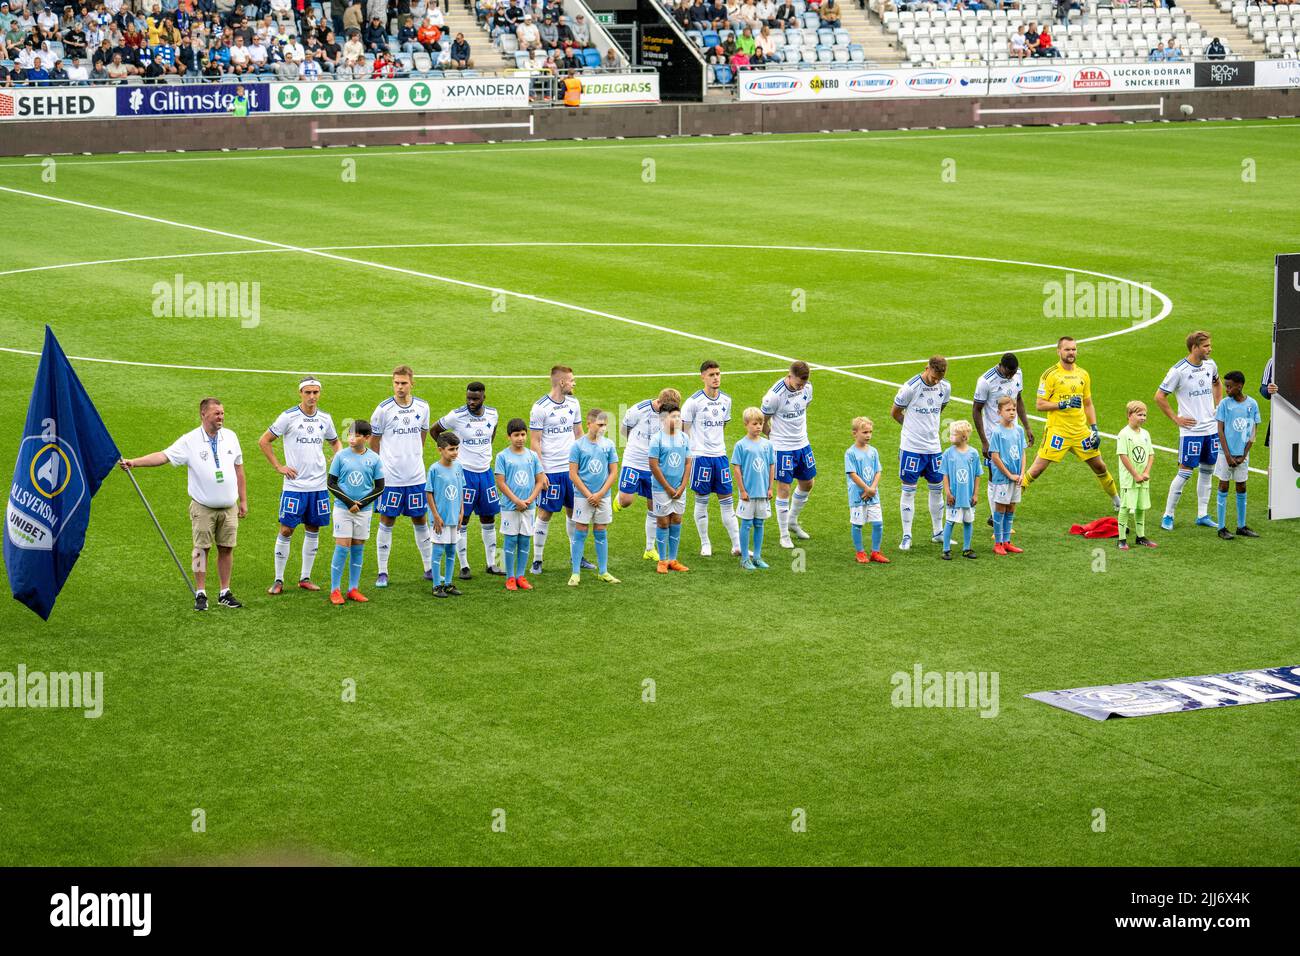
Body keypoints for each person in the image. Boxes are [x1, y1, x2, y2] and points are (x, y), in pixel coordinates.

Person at [119, 397, 247, 611]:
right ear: (203, 414)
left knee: (226, 548)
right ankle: (201, 592)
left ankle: (225, 592)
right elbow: (164, 456)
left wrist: (243, 500)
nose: (221, 417)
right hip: (203, 506)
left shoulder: (231, 437)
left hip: (229, 507)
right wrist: (135, 462)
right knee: (201, 549)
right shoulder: (190, 441)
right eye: (217, 413)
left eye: (222, 413)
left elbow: (239, 469)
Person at [259, 376, 340, 596]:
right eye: (308, 392)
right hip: (295, 486)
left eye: (315, 392)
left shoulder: (325, 418)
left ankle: (305, 577)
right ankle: (278, 579)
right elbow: (264, 440)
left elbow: (334, 441)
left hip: (319, 485)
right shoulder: (288, 417)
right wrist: (279, 466)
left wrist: (339, 460)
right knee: (286, 529)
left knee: (313, 528)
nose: (312, 396)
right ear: (300, 393)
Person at [1022, 337, 1121, 509]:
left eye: (1074, 349)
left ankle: (1118, 502)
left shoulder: (1083, 374)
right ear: (1059, 351)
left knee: (1100, 466)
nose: (1071, 353)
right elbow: (1040, 404)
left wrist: (1094, 429)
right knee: (1036, 470)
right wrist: (1063, 404)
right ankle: (1005, 507)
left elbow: (1088, 403)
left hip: (1080, 432)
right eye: (1067, 349)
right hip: (1057, 432)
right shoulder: (1050, 375)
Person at [431, 382, 503, 580]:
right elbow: (434, 430)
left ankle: (492, 563)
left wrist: (484, 450)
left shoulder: (493, 414)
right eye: (468, 398)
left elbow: (492, 433)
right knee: (463, 519)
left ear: (483, 398)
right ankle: (464, 566)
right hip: (465, 475)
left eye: (475, 399)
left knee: (489, 518)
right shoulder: (457, 415)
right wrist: (448, 452)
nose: (471, 402)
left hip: (486, 474)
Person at [370, 365, 434, 587]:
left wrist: (414, 455)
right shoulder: (383, 410)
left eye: (404, 383)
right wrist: (377, 471)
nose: (399, 387)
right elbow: (374, 442)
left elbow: (423, 434)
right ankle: (382, 571)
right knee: (387, 520)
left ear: (412, 383)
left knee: (420, 519)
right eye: (396, 383)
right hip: (391, 479)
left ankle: (428, 567)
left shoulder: (423, 407)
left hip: (416, 477)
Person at [1155, 331, 1221, 531]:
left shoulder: (1211, 365)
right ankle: (1168, 515)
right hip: (1191, 431)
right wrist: (1176, 418)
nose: (1210, 349)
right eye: (1206, 346)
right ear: (1194, 347)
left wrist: (1217, 407)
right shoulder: (1179, 371)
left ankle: (1202, 514)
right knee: (1184, 473)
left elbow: (1217, 383)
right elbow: (1159, 396)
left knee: (1208, 471)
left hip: (1211, 429)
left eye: (1210, 345)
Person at [530, 365, 591, 574]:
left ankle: (578, 556)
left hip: (572, 470)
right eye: (571, 380)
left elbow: (579, 433)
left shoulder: (574, 403)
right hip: (551, 470)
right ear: (561, 382)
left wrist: (587, 459)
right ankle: (537, 559)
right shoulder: (540, 407)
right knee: (545, 513)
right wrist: (540, 473)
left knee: (575, 513)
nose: (574, 383)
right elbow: (535, 442)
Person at [891, 355, 951, 551]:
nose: (936, 381)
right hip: (912, 448)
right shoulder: (910, 388)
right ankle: (907, 535)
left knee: (937, 489)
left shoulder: (945, 387)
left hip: (934, 448)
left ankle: (938, 532)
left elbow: (940, 408)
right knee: (909, 490)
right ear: (927, 368)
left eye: (940, 378)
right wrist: (909, 428)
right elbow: (895, 412)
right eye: (934, 377)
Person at [682, 360, 741, 557]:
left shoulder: (726, 400)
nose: (716, 378)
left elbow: (722, 426)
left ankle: (737, 545)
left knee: (727, 501)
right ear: (702, 377)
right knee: (702, 501)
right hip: (701, 458)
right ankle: (705, 543)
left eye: (717, 374)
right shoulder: (693, 402)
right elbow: (684, 432)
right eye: (711, 375)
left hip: (721, 457)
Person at [618, 387, 682, 560]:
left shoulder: (670, 414)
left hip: (655, 464)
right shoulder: (637, 410)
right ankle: (618, 498)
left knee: (654, 506)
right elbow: (624, 431)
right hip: (634, 460)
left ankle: (649, 548)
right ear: (659, 402)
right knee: (625, 501)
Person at [326, 419, 385, 605]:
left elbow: (380, 487)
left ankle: (353, 588)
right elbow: (331, 483)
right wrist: (349, 502)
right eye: (350, 435)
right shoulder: (340, 456)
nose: (352, 438)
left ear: (367, 438)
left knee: (358, 547)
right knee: (342, 547)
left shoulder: (374, 459)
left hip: (364, 511)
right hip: (343, 509)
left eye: (357, 435)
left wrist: (361, 504)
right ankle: (335, 589)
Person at [972, 352, 1033, 524]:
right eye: (1009, 373)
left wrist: (1026, 426)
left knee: (1012, 472)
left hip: (1012, 433)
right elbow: (976, 410)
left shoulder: (1018, 374)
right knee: (995, 475)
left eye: (1013, 373)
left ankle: (1001, 514)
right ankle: (995, 515)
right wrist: (984, 441)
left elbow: (1018, 400)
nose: (1011, 376)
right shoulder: (985, 381)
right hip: (994, 435)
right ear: (1001, 366)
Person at [761, 360, 816, 549]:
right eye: (798, 383)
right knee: (784, 488)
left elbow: (803, 409)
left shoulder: (807, 388)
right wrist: (772, 437)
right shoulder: (774, 396)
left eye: (803, 384)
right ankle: (784, 534)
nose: (801, 387)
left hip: (802, 443)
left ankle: (792, 521)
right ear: (789, 375)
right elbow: (763, 421)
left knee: (808, 483)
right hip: (782, 447)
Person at [567, 409, 620, 586]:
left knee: (601, 532)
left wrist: (600, 493)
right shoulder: (577, 446)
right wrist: (590, 495)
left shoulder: (609, 445)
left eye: (605, 425)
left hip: (602, 496)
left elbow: (613, 472)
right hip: (583, 497)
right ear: (589, 424)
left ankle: (603, 571)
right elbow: (573, 474)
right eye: (600, 425)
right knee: (580, 531)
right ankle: (575, 573)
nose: (603, 428)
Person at [494, 418, 545, 591]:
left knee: (524, 540)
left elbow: (540, 480)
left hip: (528, 507)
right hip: (510, 507)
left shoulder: (532, 456)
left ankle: (521, 576)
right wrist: (516, 500)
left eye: (523, 434)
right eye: (516, 435)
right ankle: (509, 577)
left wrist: (530, 500)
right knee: (510, 540)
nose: (520, 438)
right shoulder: (502, 456)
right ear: (509, 437)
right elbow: (501, 482)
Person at [1213, 370, 1262, 541]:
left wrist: (1244, 455)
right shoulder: (1225, 404)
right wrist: (1227, 455)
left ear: (1239, 386)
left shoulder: (1252, 404)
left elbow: (1253, 431)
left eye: (1229, 386)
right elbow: (1220, 430)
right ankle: (1221, 527)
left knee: (1241, 486)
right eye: (1226, 386)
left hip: (1242, 455)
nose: (1226, 389)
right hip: (1224, 454)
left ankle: (1241, 526)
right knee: (1224, 485)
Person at [647, 402, 693, 574]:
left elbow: (688, 462)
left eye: (679, 416)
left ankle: (673, 559)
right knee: (663, 522)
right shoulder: (657, 439)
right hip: (661, 489)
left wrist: (682, 486)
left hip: (679, 489)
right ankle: (662, 560)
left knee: (677, 520)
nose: (678, 419)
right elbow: (654, 465)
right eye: (674, 416)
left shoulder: (684, 437)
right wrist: (667, 488)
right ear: (664, 419)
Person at [731, 406, 775, 570]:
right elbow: (736, 469)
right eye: (755, 423)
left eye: (761, 423)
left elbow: (771, 466)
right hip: (748, 494)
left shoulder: (767, 445)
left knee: (759, 524)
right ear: (746, 424)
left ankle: (757, 556)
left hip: (763, 492)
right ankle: (744, 558)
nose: (758, 427)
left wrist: (770, 488)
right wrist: (742, 490)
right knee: (747, 524)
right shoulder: (741, 445)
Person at [425, 432, 466, 597]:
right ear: (440, 450)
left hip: (454, 517)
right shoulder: (434, 469)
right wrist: (435, 515)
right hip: (440, 519)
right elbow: (429, 493)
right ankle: (436, 585)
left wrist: (462, 511)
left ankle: (448, 583)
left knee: (451, 550)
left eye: (456, 448)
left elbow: (461, 490)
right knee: (438, 551)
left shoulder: (458, 467)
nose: (455, 452)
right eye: (451, 449)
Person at [845, 416, 888, 566]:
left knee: (878, 523)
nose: (868, 435)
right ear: (855, 433)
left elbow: (878, 471)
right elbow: (852, 474)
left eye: (870, 432)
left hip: (872, 495)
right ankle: (860, 552)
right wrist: (866, 489)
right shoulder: (850, 453)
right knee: (857, 525)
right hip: (858, 496)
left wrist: (873, 488)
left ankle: (875, 552)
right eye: (865, 432)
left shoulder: (873, 451)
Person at [986, 396, 1026, 555]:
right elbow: (994, 457)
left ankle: (1007, 541)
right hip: (1003, 478)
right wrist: (1010, 475)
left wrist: (1022, 473)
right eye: (1008, 410)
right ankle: (998, 543)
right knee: (1000, 508)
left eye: (1014, 409)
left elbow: (1022, 452)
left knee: (1011, 507)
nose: (1012, 413)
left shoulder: (1019, 430)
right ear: (999, 412)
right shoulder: (997, 432)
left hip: (1016, 477)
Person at [1115, 400, 1157, 551]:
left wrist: (1146, 472)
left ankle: (1140, 537)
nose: (1143, 417)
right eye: (1139, 414)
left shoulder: (1146, 434)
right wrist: (1135, 475)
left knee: (1140, 507)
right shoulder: (1124, 434)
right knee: (1125, 507)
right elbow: (1123, 456)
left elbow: (1151, 454)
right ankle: (1121, 539)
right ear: (1129, 415)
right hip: (1129, 480)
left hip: (1143, 479)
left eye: (1145, 415)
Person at [939, 421, 982, 561]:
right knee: (950, 521)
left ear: (964, 437)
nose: (950, 437)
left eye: (953, 434)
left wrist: (975, 494)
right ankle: (946, 549)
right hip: (954, 497)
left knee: (968, 522)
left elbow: (977, 474)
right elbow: (944, 474)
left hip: (968, 497)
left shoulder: (973, 454)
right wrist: (948, 493)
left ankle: (966, 548)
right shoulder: (948, 453)